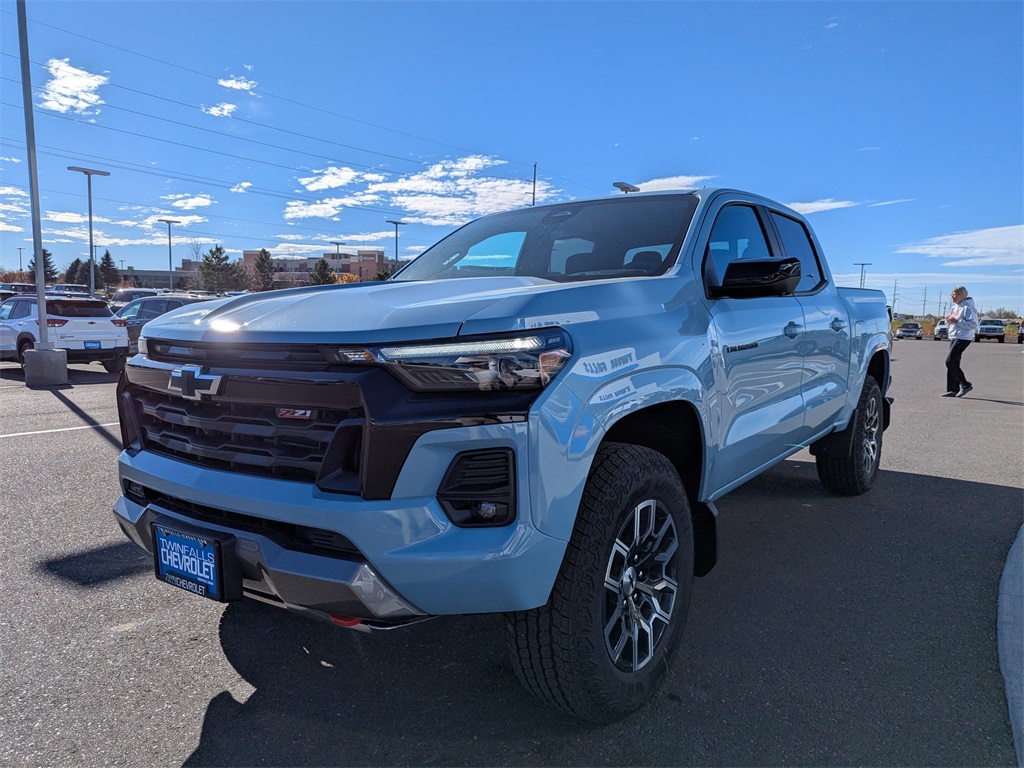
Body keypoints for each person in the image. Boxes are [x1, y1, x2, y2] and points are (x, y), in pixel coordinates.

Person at [943, 286, 979, 397]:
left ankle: (965, 384)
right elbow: (952, 322)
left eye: (955, 295)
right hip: (954, 336)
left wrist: (957, 321)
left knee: (949, 361)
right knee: (953, 363)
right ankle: (953, 389)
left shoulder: (968, 307)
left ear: (962, 296)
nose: (952, 297)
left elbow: (973, 324)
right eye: (951, 295)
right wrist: (948, 321)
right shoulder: (954, 307)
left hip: (963, 338)